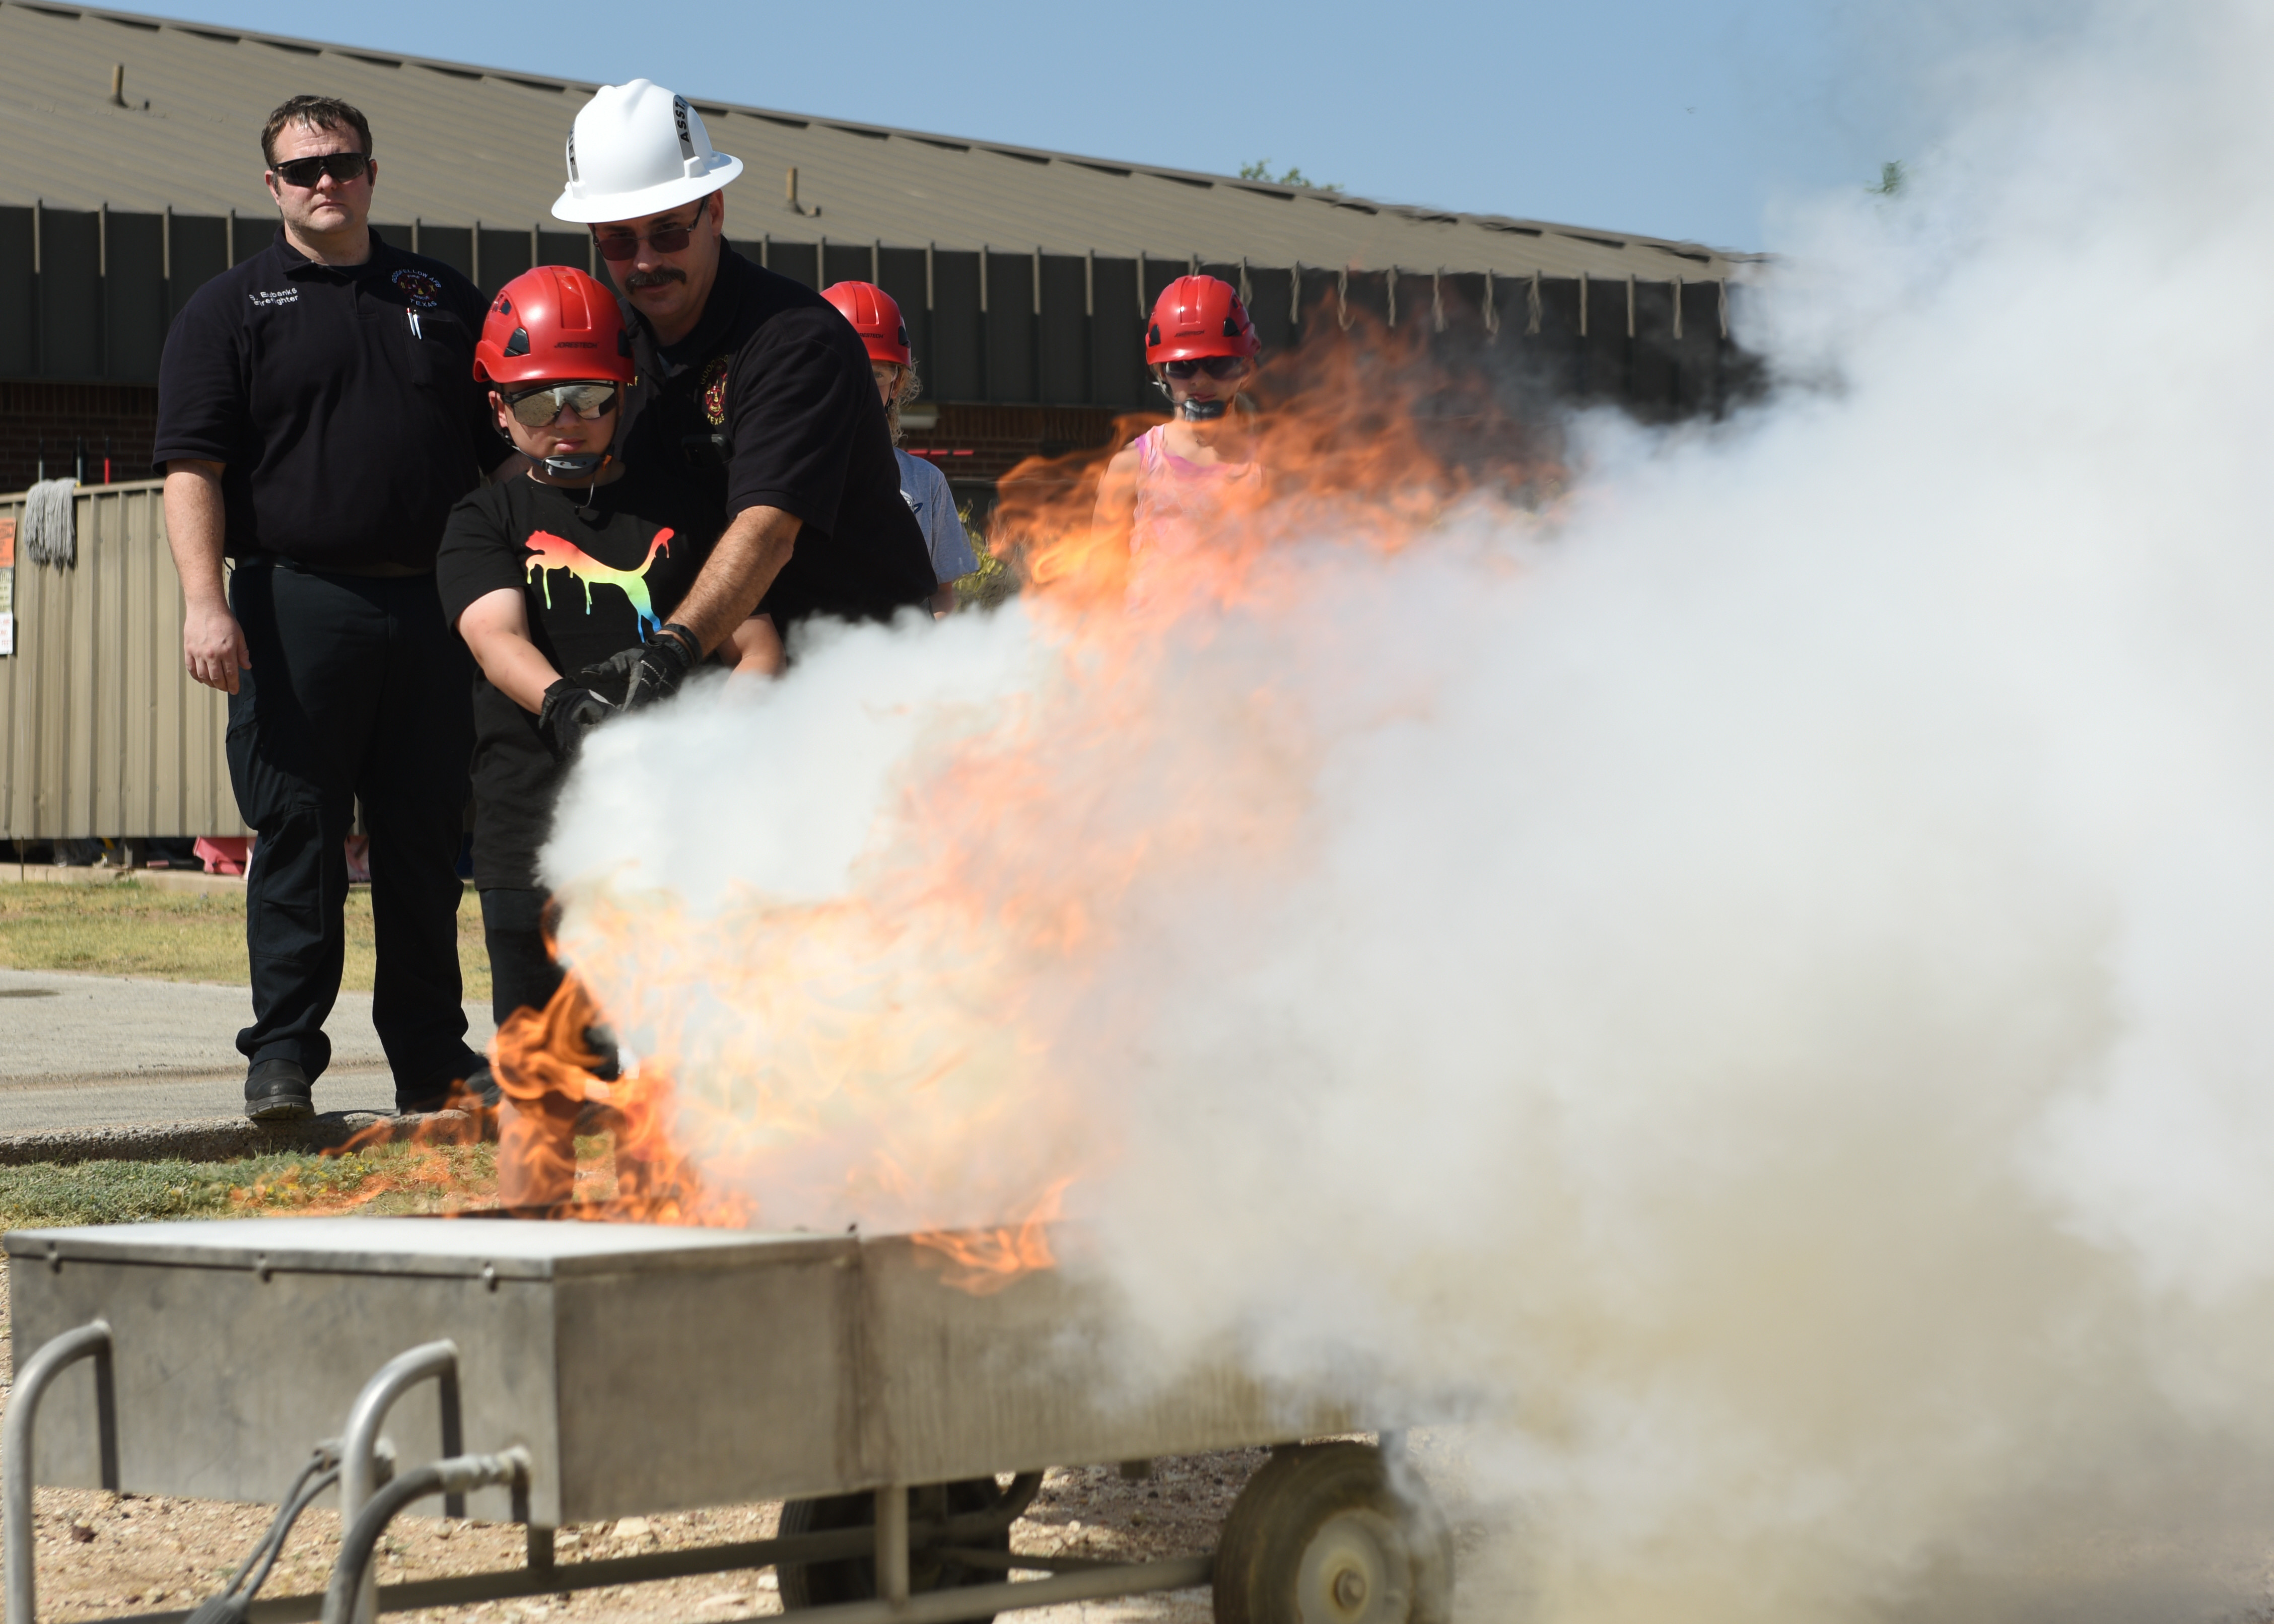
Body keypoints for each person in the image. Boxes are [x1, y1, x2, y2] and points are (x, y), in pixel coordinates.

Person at [155, 94, 515, 1122]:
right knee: (300, 835)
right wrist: (203, 602)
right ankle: (281, 1062)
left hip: (433, 610)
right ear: (272, 185)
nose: (327, 183)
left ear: (371, 172)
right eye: (304, 169)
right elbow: (193, 468)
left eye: (344, 164)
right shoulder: (228, 310)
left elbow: (501, 461)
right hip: (292, 603)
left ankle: (433, 1062)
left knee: (421, 841)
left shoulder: (441, 297)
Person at [436, 264, 776, 1051]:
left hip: (673, 847)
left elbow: (756, 646)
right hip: (532, 839)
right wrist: (565, 704)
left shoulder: (683, 512)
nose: (567, 419)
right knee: (544, 1082)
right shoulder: (483, 517)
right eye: (537, 399)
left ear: (623, 392)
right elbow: (496, 638)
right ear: (498, 408)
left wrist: (719, 740)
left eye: (589, 396)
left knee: (668, 1077)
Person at [549, 80, 936, 677]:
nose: (646, 260)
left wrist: (669, 654)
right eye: (618, 240)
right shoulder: (604, 345)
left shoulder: (797, 341)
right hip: (716, 679)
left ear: (717, 213)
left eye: (669, 231)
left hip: (852, 678)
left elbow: (766, 532)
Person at [1089, 275, 1266, 576]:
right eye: (1183, 366)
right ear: (1161, 370)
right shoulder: (1132, 466)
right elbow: (1100, 582)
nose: (1199, 379)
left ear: (1246, 368)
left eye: (1217, 364)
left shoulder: (1270, 467)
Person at [821, 280, 977, 615]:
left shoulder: (925, 482)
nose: (860, 387)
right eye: (845, 370)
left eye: (875, 374)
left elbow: (942, 595)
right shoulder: (786, 472)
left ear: (897, 383)